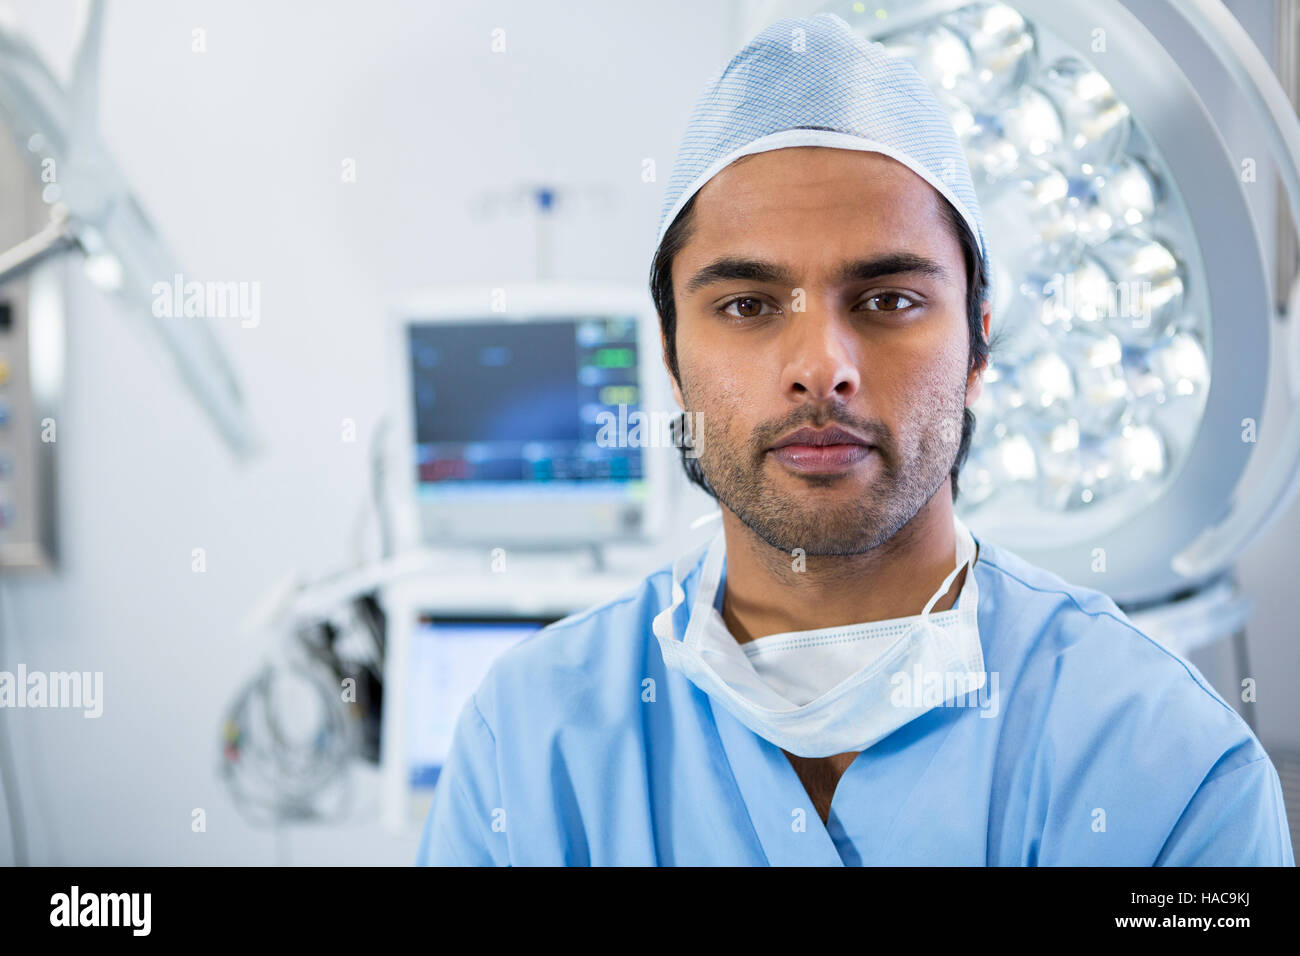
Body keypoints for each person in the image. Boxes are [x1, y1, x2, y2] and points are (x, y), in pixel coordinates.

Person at [416, 13, 1294, 866]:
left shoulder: (1165, 765)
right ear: (671, 360)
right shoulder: (531, 749)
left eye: (887, 300)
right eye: (748, 306)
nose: (821, 368)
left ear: (979, 344)